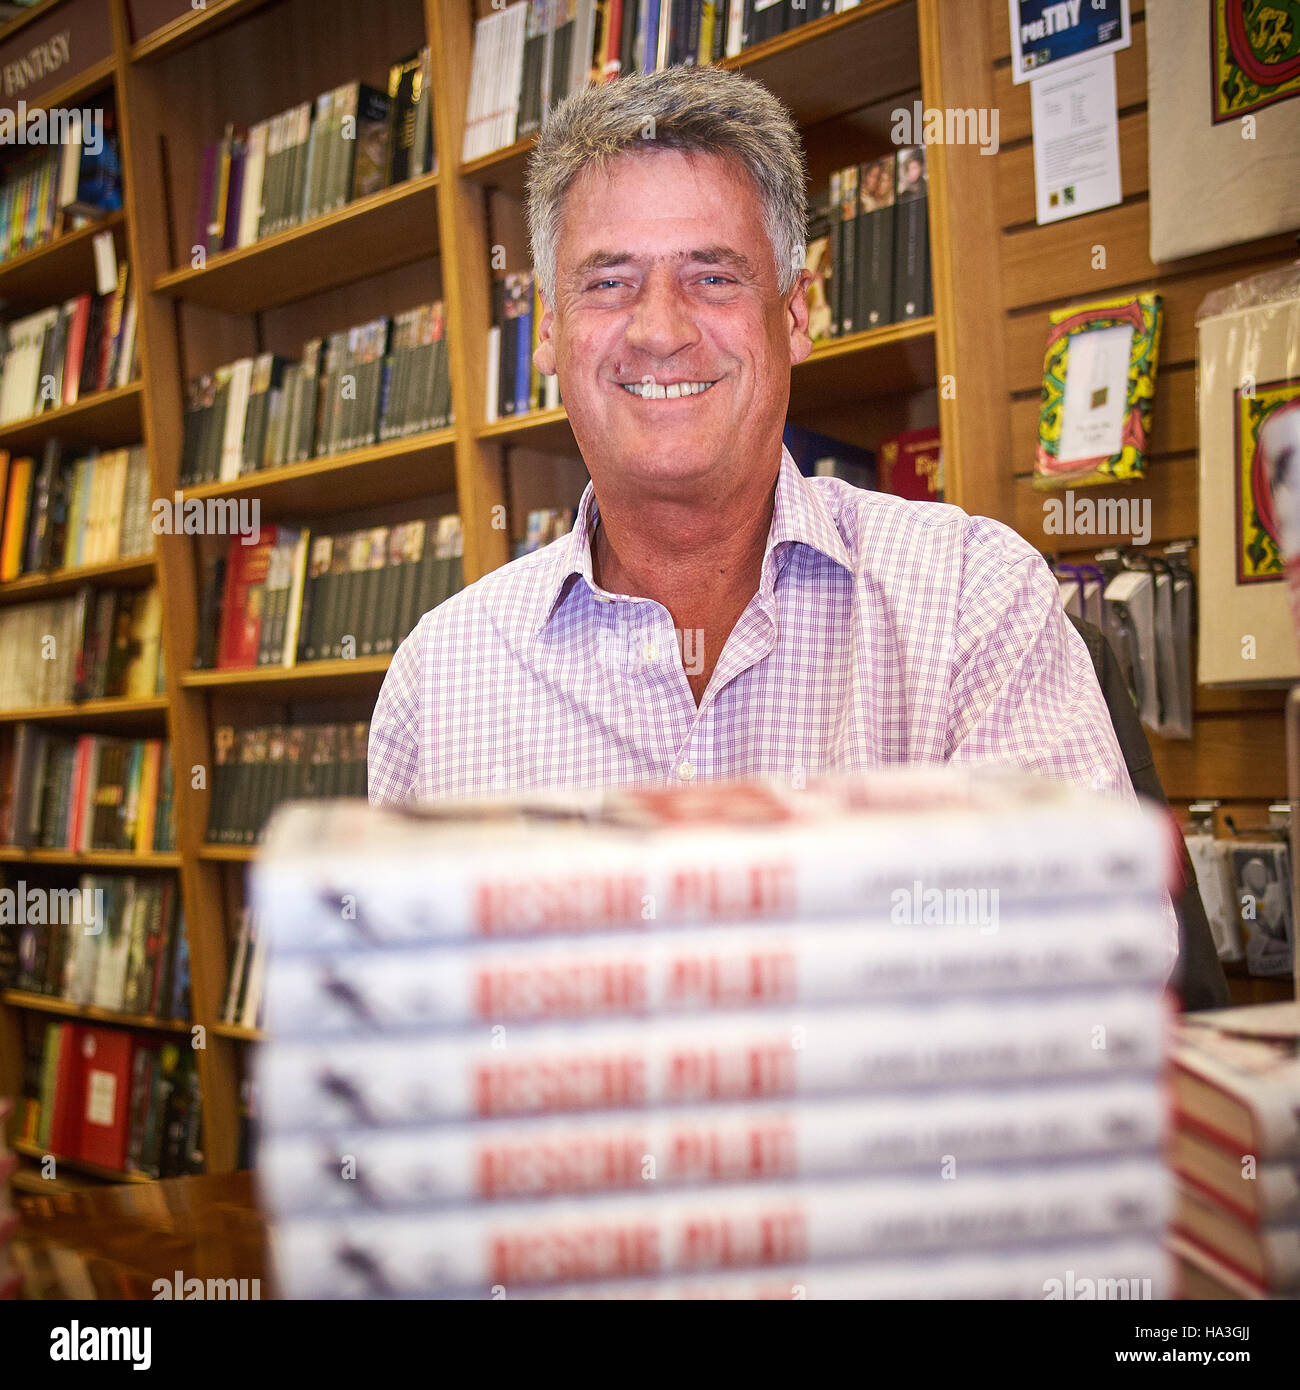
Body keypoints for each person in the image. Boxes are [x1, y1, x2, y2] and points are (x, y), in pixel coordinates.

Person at [367, 64, 1177, 968]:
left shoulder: (971, 603)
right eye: (608, 283)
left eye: (713, 277)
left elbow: (1097, 973)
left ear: (794, 314)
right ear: (549, 330)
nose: (660, 330)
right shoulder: (437, 685)